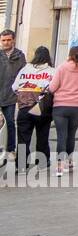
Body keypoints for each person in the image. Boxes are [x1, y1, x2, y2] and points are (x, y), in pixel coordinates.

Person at [48, 47, 78, 178]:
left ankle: (60, 167)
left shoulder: (62, 67)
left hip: (60, 105)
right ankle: (68, 163)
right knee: (71, 135)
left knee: (62, 136)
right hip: (77, 105)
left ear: (69, 54)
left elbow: (52, 87)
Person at [12, 47, 54, 172]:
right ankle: (42, 161)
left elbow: (14, 87)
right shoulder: (52, 71)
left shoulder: (25, 69)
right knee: (42, 134)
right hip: (42, 108)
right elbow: (54, 88)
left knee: (23, 138)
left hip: (24, 108)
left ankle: (21, 165)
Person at [0, 29, 26, 167]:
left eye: (8, 40)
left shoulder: (20, 56)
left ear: (13, 40)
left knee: (10, 122)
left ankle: (11, 149)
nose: (6, 42)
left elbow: (22, 75)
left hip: (10, 96)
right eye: (3, 40)